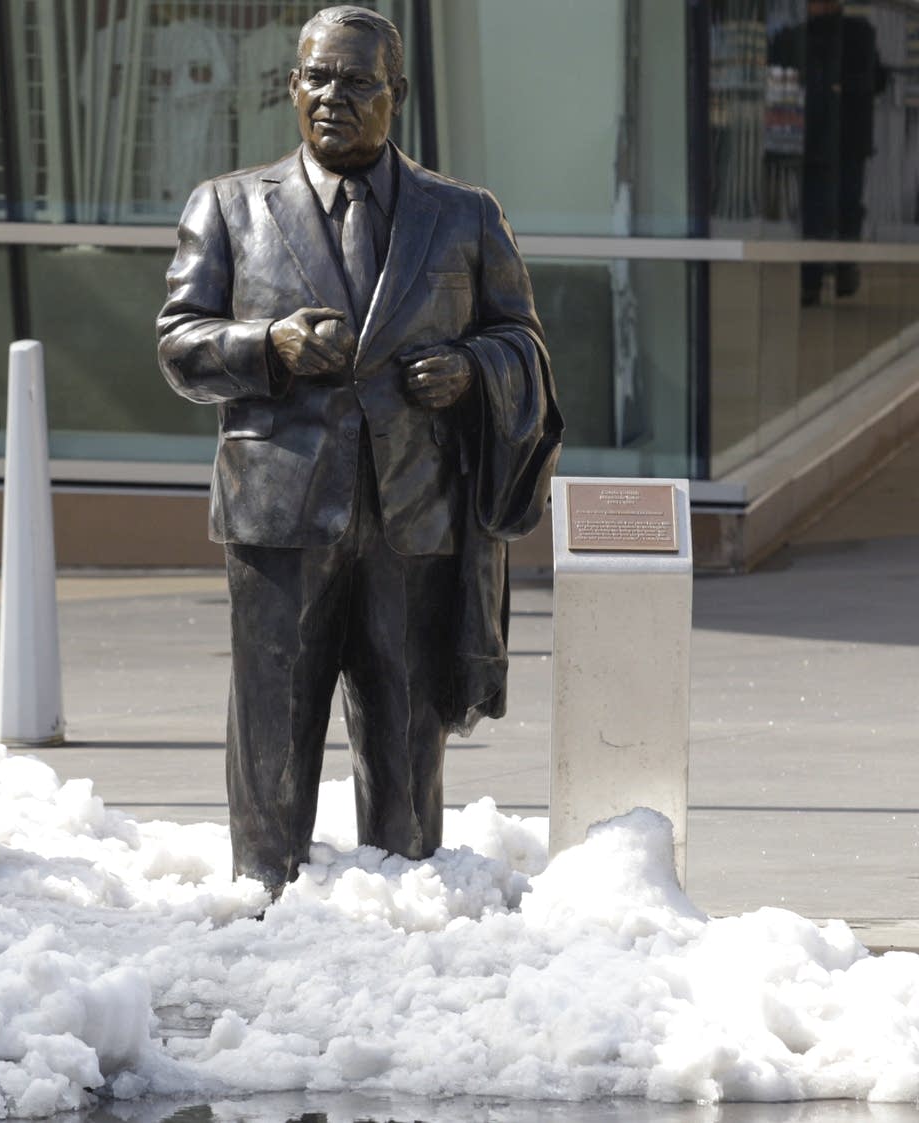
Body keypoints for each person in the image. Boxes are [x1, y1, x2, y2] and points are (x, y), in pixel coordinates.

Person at [157, 6, 562, 898]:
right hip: (280, 515)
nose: (334, 97)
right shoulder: (228, 207)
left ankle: (405, 894)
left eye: (358, 80)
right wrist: (268, 348)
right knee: (273, 723)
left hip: (413, 513)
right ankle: (265, 889)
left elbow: (524, 345)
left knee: (407, 728)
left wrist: (467, 367)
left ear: (397, 95)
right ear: (293, 86)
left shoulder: (464, 216)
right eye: (318, 78)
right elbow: (181, 345)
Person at [770, 0, 885, 304]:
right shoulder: (859, 34)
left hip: (816, 139)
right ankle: (843, 268)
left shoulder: (792, 38)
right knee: (846, 206)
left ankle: (812, 282)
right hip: (844, 139)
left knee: (815, 210)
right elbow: (878, 80)